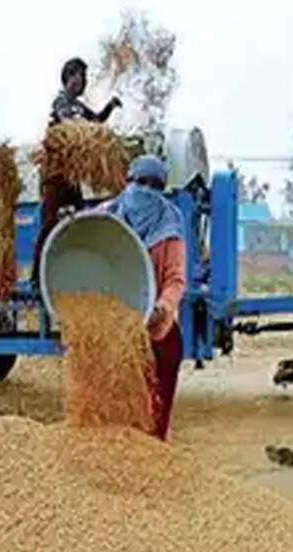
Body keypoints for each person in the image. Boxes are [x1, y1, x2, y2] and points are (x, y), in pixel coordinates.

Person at [104, 155, 186, 441]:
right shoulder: (107, 217)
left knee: (153, 413)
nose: (146, 191)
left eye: (156, 185)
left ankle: (152, 470)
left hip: (157, 335)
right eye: (141, 182)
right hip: (116, 333)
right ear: (128, 181)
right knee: (115, 411)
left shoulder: (169, 225)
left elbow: (175, 280)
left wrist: (161, 309)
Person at [32, 58, 124, 287]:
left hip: (71, 178)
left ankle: (74, 265)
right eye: (78, 77)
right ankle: (37, 276)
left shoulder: (79, 107)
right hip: (55, 176)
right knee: (50, 221)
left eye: (84, 78)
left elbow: (96, 121)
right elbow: (71, 124)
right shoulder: (62, 103)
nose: (81, 82)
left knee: (79, 217)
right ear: (68, 78)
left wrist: (110, 107)